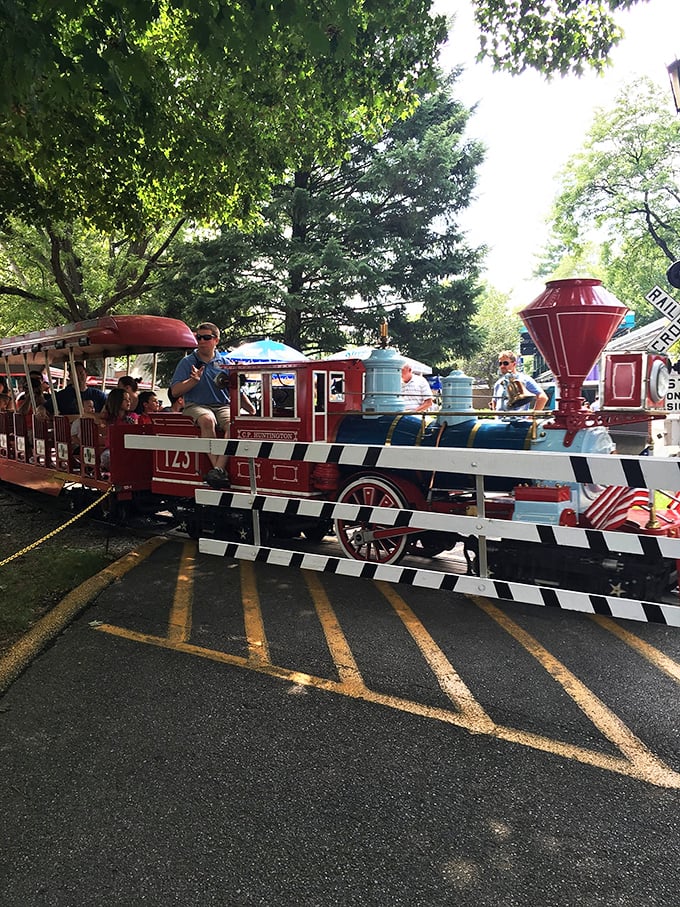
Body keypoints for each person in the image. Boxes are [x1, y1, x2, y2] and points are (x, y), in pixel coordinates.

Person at [170, 322, 231, 486]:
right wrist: (193, 380)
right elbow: (175, 391)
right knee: (207, 420)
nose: (201, 341)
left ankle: (218, 469)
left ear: (216, 340)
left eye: (206, 337)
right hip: (195, 405)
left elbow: (235, 389)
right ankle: (218, 470)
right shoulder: (187, 362)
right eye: (198, 337)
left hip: (222, 405)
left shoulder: (226, 362)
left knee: (234, 425)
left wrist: (251, 409)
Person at [100, 388, 138, 472]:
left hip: (127, 449)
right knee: (107, 457)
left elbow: (136, 433)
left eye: (129, 399)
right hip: (111, 449)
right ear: (117, 401)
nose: (128, 402)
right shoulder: (108, 417)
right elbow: (87, 415)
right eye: (125, 399)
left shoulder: (132, 417)